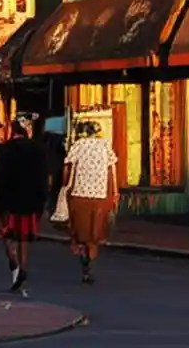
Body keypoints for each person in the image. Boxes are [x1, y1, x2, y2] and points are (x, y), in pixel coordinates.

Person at [0, 117, 48, 292]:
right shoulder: (37, 150)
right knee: (25, 237)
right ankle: (23, 267)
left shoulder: (4, 149)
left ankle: (12, 259)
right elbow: (42, 175)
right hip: (30, 199)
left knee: (8, 233)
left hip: (9, 198)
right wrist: (42, 198)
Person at [63, 121, 118, 284]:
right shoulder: (105, 146)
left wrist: (65, 185)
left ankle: (84, 263)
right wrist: (115, 192)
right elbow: (112, 169)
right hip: (99, 194)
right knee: (94, 234)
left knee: (80, 231)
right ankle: (90, 265)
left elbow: (68, 165)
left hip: (79, 193)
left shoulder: (78, 145)